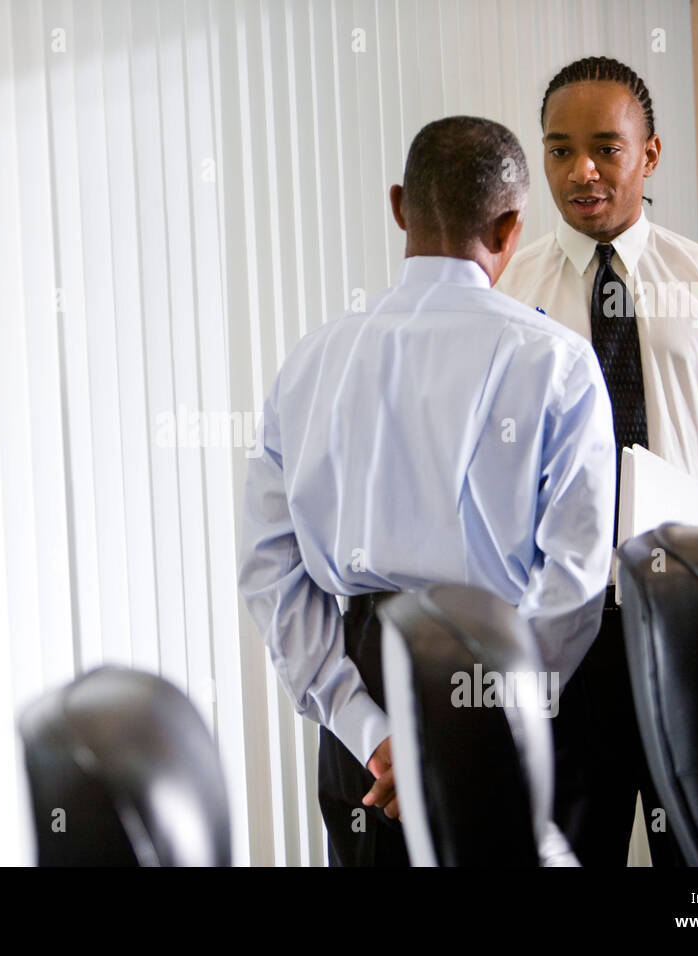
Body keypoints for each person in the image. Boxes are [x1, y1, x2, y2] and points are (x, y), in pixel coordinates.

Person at [237, 116, 618, 866]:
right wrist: (479, 732)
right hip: (508, 689)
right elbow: (573, 582)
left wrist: (369, 732)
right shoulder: (560, 364)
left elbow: (268, 569)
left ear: (399, 207)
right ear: (511, 225)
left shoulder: (314, 360)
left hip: (361, 703)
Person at [496, 56, 698, 866]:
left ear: (650, 154)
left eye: (607, 148)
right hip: (561, 649)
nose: (583, 171)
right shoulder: (504, 300)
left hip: (695, 640)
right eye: (560, 149)